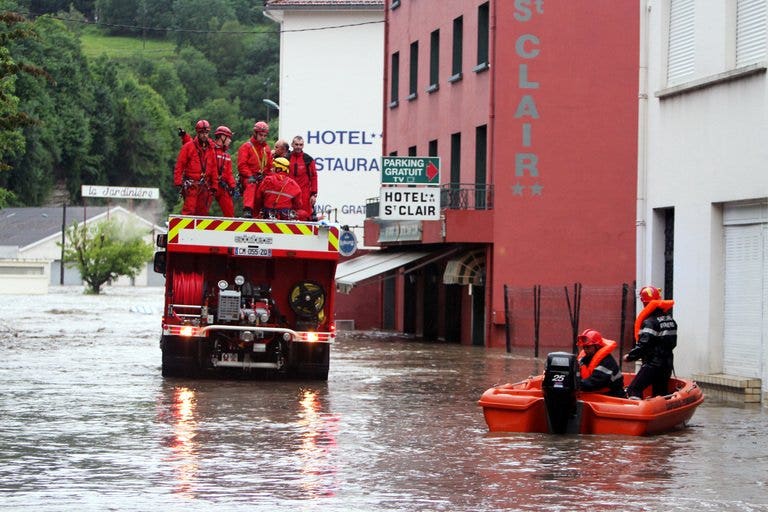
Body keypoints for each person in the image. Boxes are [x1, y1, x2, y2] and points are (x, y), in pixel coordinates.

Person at [623, 286, 677, 399]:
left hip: (653, 364)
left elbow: (644, 345)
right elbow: (672, 343)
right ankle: (661, 416)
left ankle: (637, 414)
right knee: (660, 394)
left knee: (634, 389)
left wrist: (630, 356)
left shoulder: (649, 322)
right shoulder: (670, 319)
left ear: (644, 303)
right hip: (667, 364)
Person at [174, 119, 214, 215]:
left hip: (205, 186)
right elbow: (180, 164)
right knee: (189, 210)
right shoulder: (189, 147)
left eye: (206, 132)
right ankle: (185, 229)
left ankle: (199, 230)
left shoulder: (210, 147)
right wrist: (178, 181)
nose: (204, 135)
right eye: (202, 133)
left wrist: (214, 185)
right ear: (198, 133)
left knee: (202, 212)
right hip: (191, 185)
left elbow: (214, 166)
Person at [237, 121, 273, 218]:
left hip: (262, 177)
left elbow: (269, 167)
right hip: (248, 177)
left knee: (270, 187)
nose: (263, 137)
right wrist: (250, 175)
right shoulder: (246, 147)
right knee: (251, 184)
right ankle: (247, 209)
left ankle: (269, 210)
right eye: (261, 135)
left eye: (265, 135)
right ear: (255, 133)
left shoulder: (267, 149)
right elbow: (242, 165)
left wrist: (271, 179)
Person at [576, 328, 625, 398]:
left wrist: (575, 384)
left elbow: (595, 383)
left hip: (612, 395)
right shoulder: (587, 358)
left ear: (597, 346)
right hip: (598, 393)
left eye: (588, 347)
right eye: (584, 347)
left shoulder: (607, 362)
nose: (585, 350)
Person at [207, 125, 238, 217]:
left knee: (229, 211)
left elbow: (229, 173)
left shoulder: (226, 156)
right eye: (228, 138)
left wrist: (233, 186)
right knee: (202, 209)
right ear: (222, 137)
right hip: (210, 185)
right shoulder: (210, 149)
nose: (230, 140)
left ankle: (231, 229)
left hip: (222, 186)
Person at [287, 135, 318, 220]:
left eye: (301, 145)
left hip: (304, 194)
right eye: (296, 144)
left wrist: (313, 194)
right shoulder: (287, 158)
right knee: (288, 217)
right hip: (289, 193)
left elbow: (314, 177)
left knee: (305, 217)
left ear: (303, 145)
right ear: (292, 145)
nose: (298, 147)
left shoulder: (308, 159)